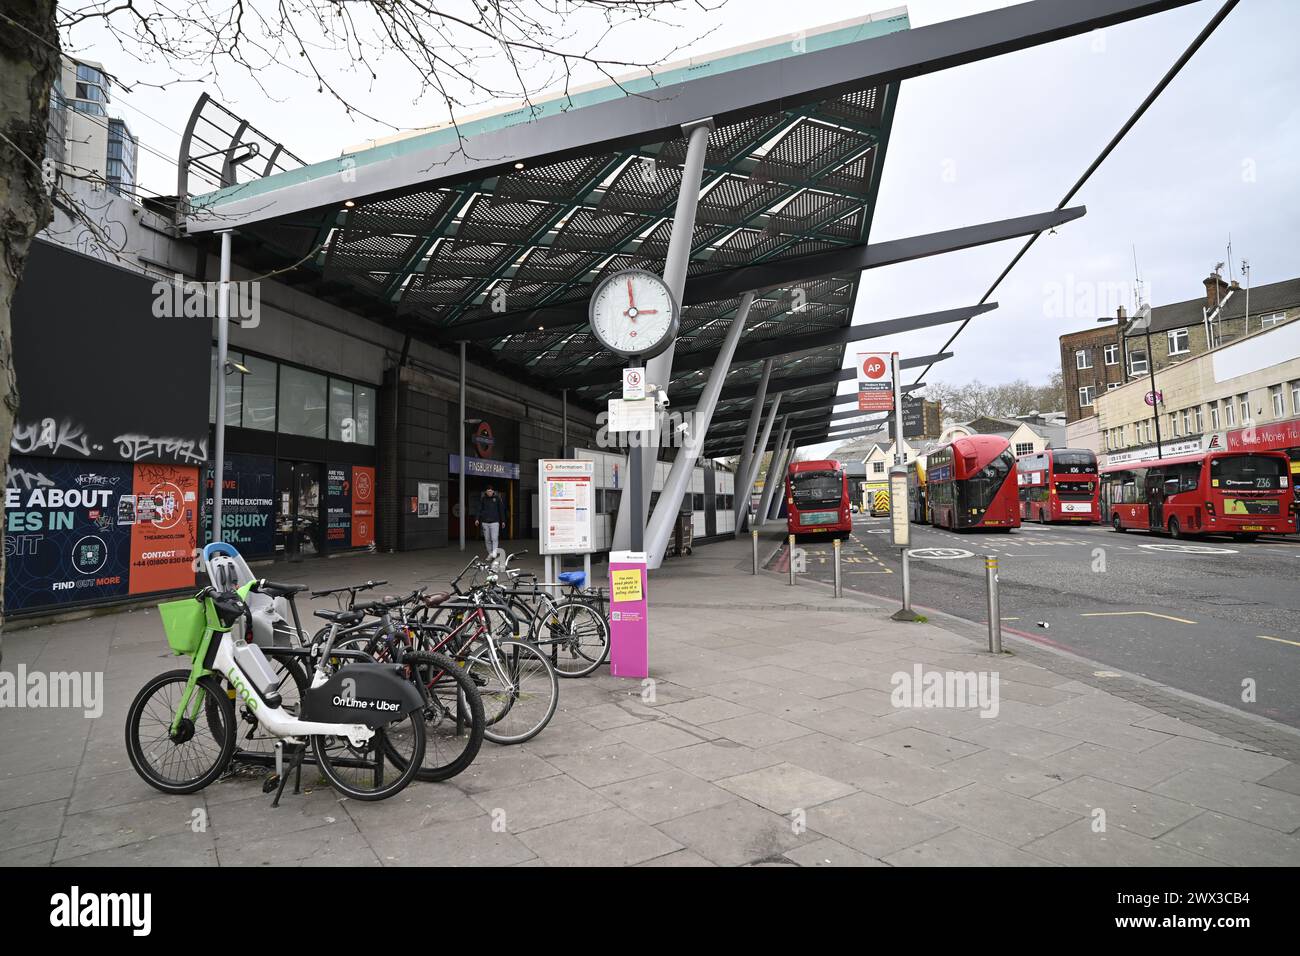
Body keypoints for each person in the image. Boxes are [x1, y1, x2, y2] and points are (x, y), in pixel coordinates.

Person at [476, 484, 507, 558]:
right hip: (485, 522)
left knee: (494, 538)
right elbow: (479, 509)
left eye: (491, 491)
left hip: (495, 522)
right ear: (486, 492)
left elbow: (501, 510)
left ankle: (494, 553)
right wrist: (477, 519)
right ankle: (490, 553)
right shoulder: (483, 499)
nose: (489, 493)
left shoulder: (497, 499)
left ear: (493, 491)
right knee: (487, 540)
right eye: (488, 491)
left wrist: (503, 521)